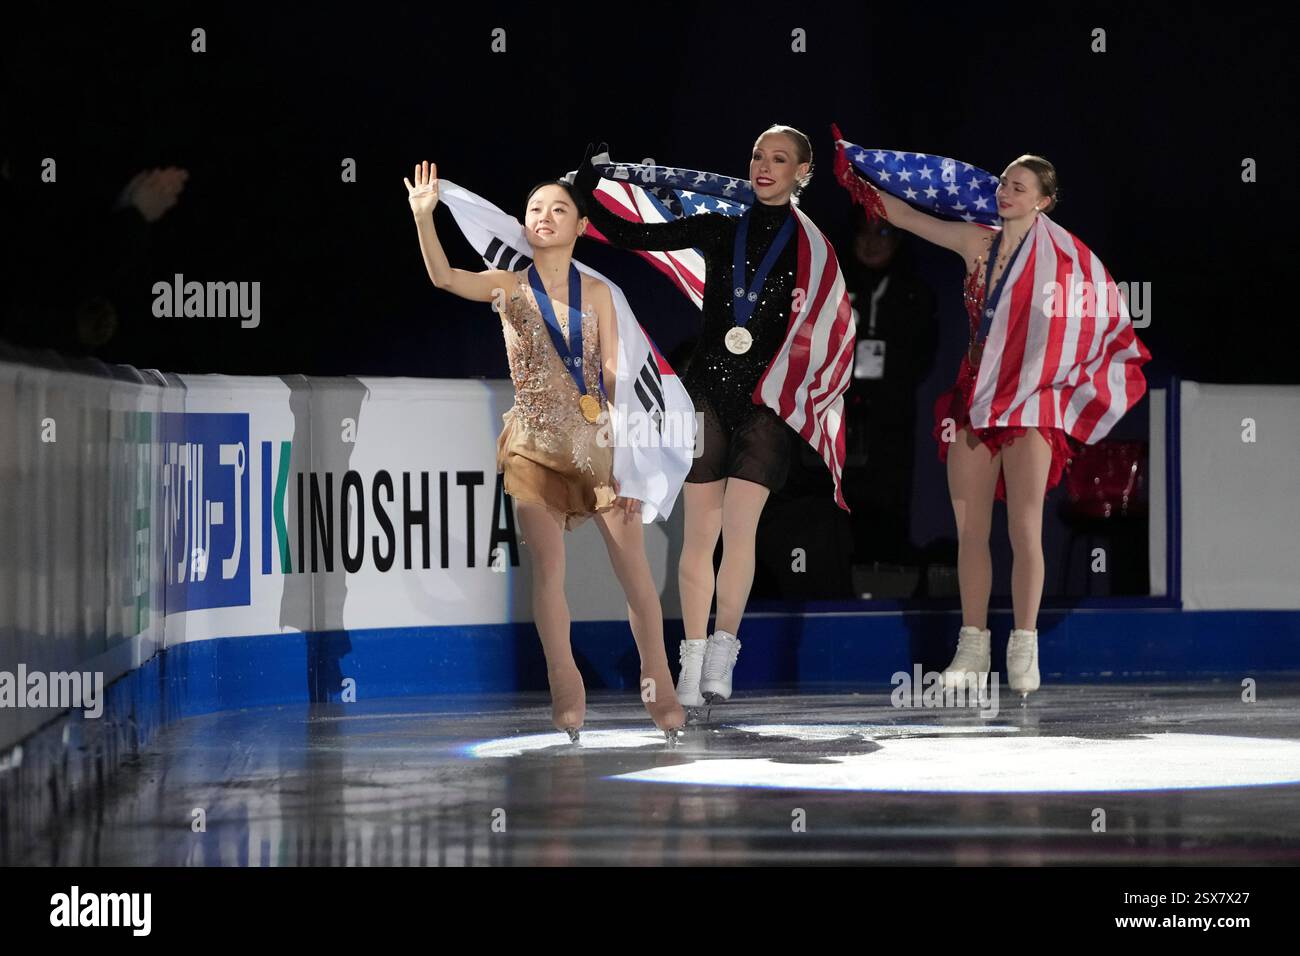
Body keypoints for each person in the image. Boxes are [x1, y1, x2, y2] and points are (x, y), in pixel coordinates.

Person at [834, 134, 1149, 699]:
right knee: (970, 531)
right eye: (1003, 182)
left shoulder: (1065, 262)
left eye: (1018, 187)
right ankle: (972, 647)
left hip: (1030, 402)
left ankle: (1023, 646)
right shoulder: (976, 241)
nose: (1004, 192)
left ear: (1043, 202)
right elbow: (906, 216)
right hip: (974, 400)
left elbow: (1090, 321)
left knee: (1023, 528)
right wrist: (861, 177)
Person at [573, 127, 854, 714]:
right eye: (757, 156)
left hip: (766, 401)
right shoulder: (721, 228)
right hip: (706, 392)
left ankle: (725, 645)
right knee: (699, 534)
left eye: (779, 159)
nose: (764, 166)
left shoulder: (814, 251)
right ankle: (693, 655)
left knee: (740, 529)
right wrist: (591, 182)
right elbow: (631, 236)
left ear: (803, 173)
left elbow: (830, 331)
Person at [405, 160, 686, 741]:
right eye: (535, 210)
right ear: (524, 225)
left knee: (633, 571)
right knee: (549, 568)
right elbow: (444, 279)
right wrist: (424, 218)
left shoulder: (603, 295)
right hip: (532, 445)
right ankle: (565, 679)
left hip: (598, 447)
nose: (545, 217)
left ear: (581, 225)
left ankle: (657, 680)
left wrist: (629, 461)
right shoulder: (507, 285)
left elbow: (620, 380)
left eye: (558, 209)